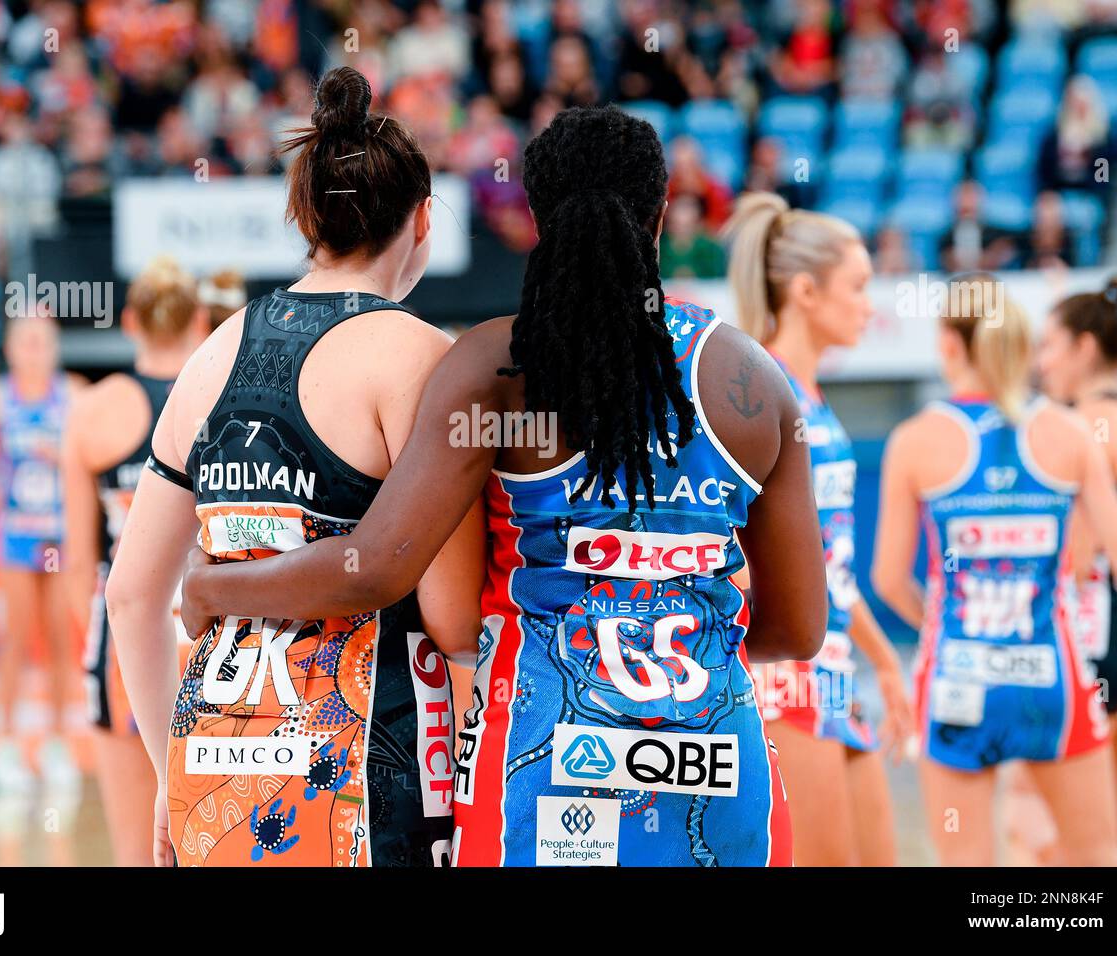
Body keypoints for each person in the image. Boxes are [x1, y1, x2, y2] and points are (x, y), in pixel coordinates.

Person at [179, 105, 829, 867]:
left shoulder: (493, 368)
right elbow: (799, 629)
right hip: (718, 774)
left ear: (536, 219)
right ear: (659, 216)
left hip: (546, 765)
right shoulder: (752, 379)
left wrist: (214, 589)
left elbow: (379, 567)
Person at [105, 67, 486, 868]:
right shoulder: (421, 356)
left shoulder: (212, 354)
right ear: (422, 222)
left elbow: (132, 594)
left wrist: (170, 772)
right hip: (362, 774)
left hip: (219, 768)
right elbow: (454, 625)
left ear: (306, 218)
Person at [872, 274, 1117, 866]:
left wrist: (940, 620)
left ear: (948, 345)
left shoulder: (915, 440)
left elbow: (888, 580)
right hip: (1055, 679)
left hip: (956, 681)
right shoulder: (1068, 432)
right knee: (1100, 857)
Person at [722, 191, 908, 866]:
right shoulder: (751, 389)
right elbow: (720, 544)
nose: (869, 303)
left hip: (834, 670)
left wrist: (886, 664)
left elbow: (832, 571)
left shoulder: (815, 399)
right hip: (783, 672)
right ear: (805, 290)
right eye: (857, 287)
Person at [61, 256, 209, 866]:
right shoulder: (224, 400)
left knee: (136, 851)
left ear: (130, 322)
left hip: (126, 634)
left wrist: (95, 645)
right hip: (212, 632)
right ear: (200, 320)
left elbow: (76, 562)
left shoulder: (94, 410)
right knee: (218, 838)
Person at [1035, 275, 1117, 860]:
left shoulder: (1089, 427)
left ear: (1085, 347)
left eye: (1050, 346)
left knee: (1046, 834)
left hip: (1090, 639)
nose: (1043, 364)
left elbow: (1077, 559)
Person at [0, 312, 83, 793]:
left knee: (59, 637)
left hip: (59, 534)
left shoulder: (73, 394)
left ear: (54, 348)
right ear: (11, 349)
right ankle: (6, 743)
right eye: (26, 342)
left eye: (42, 342)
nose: (34, 350)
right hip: (11, 534)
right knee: (13, 637)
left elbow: (92, 458)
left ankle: (56, 741)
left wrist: (67, 458)